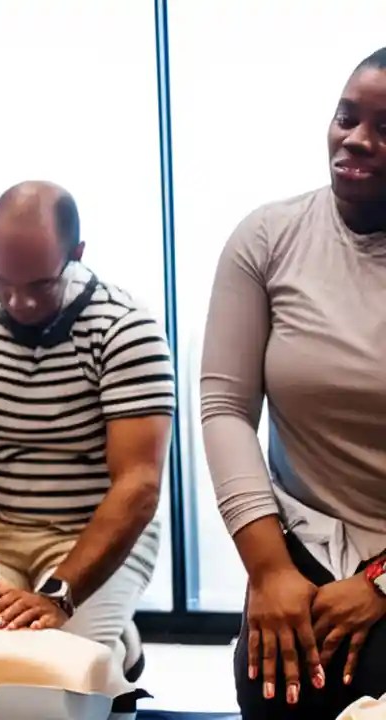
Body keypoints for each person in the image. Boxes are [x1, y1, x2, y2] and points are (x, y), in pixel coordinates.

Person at [0, 181, 174, 685]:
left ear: (77, 255)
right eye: (4, 281)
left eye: (39, 286)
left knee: (57, 668)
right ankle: (104, 633)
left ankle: (119, 644)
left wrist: (62, 594)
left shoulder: (126, 329)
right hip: (2, 527)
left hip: (92, 531)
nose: (19, 302)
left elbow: (138, 483)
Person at [201, 47, 386, 720]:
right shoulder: (267, 238)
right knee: (279, 682)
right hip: (304, 536)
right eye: (346, 117)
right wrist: (269, 568)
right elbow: (225, 406)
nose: (356, 141)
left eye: (384, 128)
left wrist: (384, 585)